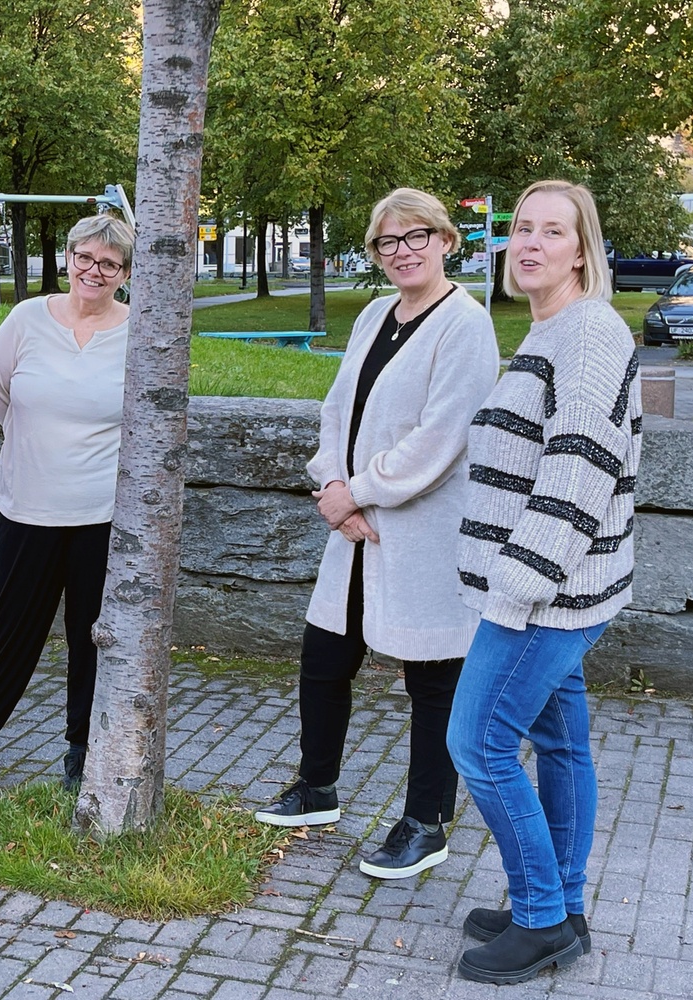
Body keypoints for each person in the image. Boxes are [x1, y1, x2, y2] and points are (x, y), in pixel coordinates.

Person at [253, 189, 499, 881]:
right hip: (355, 525)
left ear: (446, 239)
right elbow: (335, 409)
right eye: (386, 242)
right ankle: (316, 789)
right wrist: (334, 486)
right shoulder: (371, 315)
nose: (401, 251)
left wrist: (352, 494)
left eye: (415, 236)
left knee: (431, 678)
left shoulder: (464, 324)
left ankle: (427, 822)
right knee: (324, 656)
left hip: (419, 532)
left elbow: (440, 439)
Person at [449, 180, 640, 985]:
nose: (528, 243)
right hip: (555, 589)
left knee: (478, 742)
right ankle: (561, 902)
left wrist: (516, 590)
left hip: (547, 596)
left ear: (580, 250)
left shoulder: (588, 336)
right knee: (559, 743)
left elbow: (576, 474)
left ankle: (541, 922)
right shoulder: (552, 331)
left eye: (551, 231)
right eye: (520, 228)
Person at [0, 213, 134, 803]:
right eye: (85, 258)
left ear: (124, 274)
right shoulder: (26, 320)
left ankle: (81, 752)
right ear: (68, 259)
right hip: (27, 510)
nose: (95, 270)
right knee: (9, 634)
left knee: (93, 637)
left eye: (109, 264)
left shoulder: (137, 332)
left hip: (102, 518)